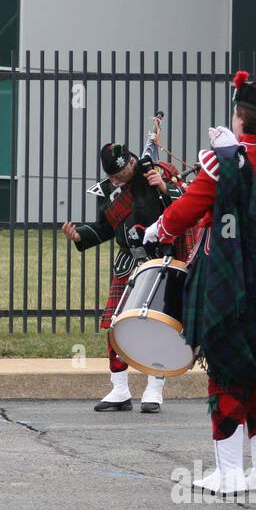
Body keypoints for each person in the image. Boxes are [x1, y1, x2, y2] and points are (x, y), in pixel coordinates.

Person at [144, 72, 256, 495]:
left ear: (240, 117)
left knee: (226, 373)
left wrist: (156, 230)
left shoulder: (222, 163)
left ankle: (230, 472)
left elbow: (187, 209)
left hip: (228, 280)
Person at [61, 142, 176, 413]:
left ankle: (154, 389)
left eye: (117, 175)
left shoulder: (154, 173)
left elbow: (185, 203)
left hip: (158, 259)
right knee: (115, 324)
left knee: (157, 325)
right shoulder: (110, 190)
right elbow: (105, 227)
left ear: (130, 164)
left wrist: (162, 186)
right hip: (127, 261)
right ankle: (120, 388)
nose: (113, 180)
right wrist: (81, 235)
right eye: (110, 176)